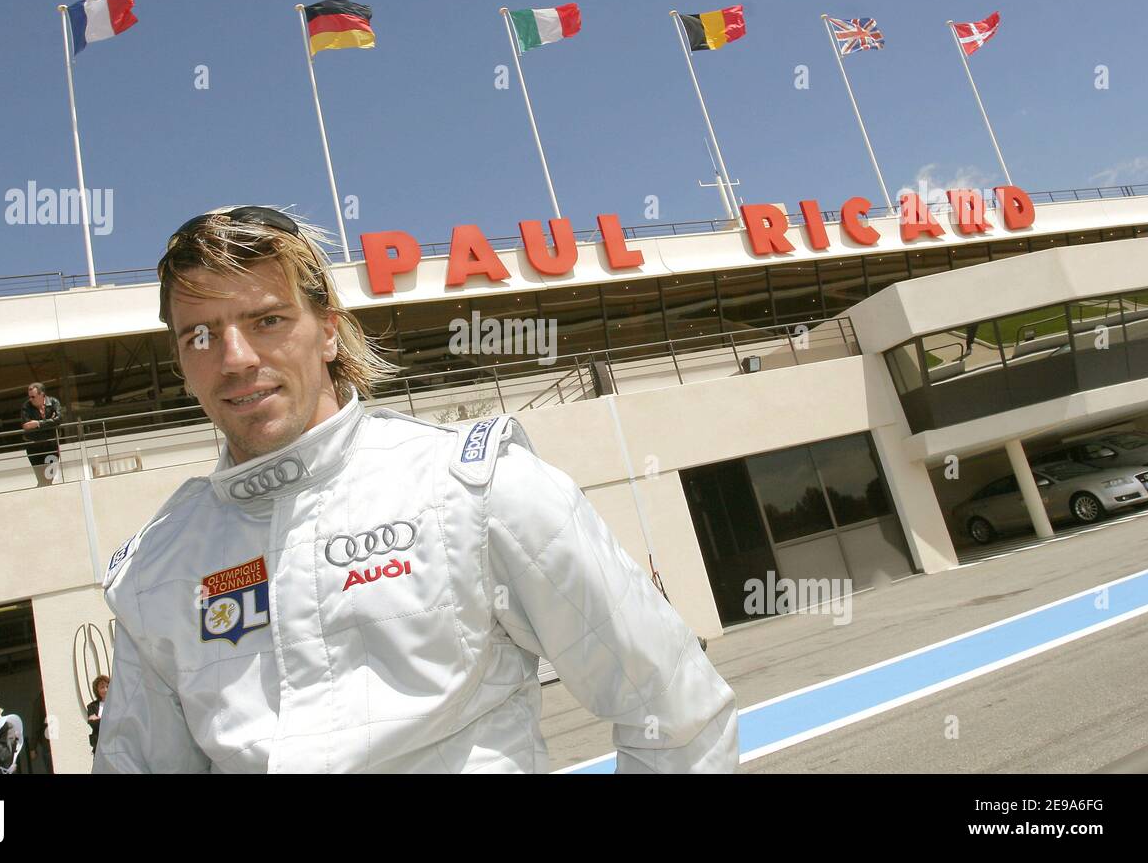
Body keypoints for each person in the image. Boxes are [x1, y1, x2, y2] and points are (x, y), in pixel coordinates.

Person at [94, 205, 738, 774]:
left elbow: (676, 709)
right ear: (180, 362)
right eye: (199, 334)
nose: (233, 358)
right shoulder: (157, 570)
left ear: (326, 329)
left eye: (266, 320)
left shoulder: (475, 488)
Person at [20, 383, 63, 488]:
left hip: (51, 445)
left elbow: (59, 419)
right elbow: (26, 425)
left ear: (42, 394)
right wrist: (50, 421)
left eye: (33, 396)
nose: (30, 399)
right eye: (29, 396)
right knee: (42, 479)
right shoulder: (26, 406)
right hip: (34, 447)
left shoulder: (53, 402)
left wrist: (38, 423)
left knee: (49, 478)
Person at [86, 675, 109, 755]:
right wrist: (108, 720)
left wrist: (98, 719)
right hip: (99, 747)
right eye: (102, 687)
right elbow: (93, 724)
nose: (105, 690)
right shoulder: (92, 706)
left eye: (107, 686)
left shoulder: (117, 704)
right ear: (97, 690)